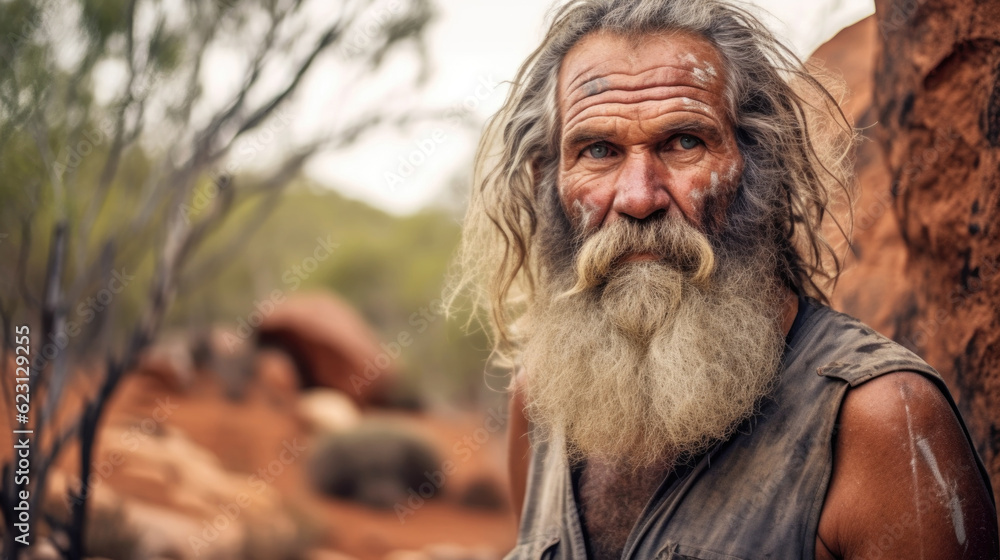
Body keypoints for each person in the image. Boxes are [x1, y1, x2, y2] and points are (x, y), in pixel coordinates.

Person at [446, 0, 999, 558]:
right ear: (551, 180)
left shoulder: (879, 422)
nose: (639, 197)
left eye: (685, 142)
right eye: (598, 150)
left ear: (760, 164)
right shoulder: (541, 394)